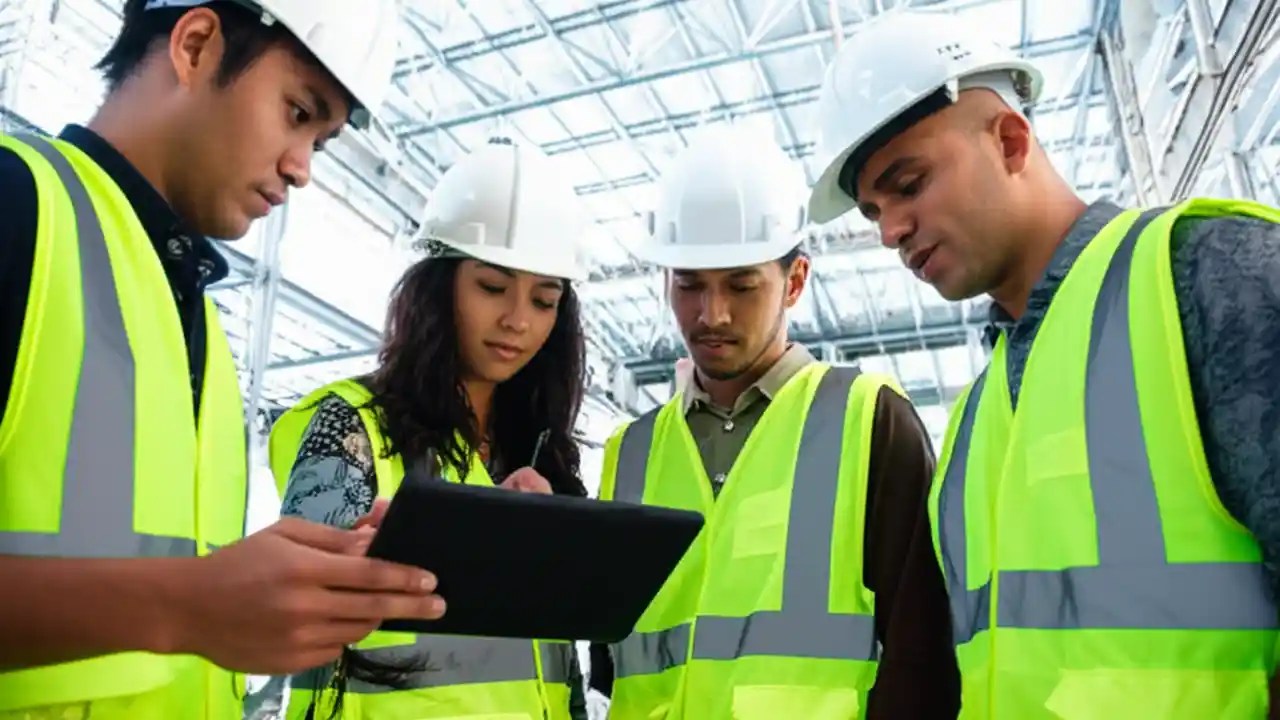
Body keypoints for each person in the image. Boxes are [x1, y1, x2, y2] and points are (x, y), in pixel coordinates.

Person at [808, 9, 1280, 719]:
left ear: (1009, 139)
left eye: (907, 185)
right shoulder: (974, 423)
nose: (890, 232)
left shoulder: (1203, 274)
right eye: (873, 211)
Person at [0, 1, 448, 718]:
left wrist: (285, 576)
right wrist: (185, 605)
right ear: (196, 43)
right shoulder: (18, 210)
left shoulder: (193, 314)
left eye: (322, 142)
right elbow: (179, 601)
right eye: (299, 112)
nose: (302, 170)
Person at [590, 126, 960, 719]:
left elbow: (924, 654)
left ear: (794, 282)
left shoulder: (868, 420)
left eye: (741, 285)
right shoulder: (628, 452)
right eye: (688, 286)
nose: (711, 314)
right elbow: (611, 664)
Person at [268, 138, 593, 720]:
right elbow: (290, 606)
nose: (517, 320)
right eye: (492, 288)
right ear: (438, 287)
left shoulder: (541, 457)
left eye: (544, 300)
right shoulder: (353, 426)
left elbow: (557, 666)